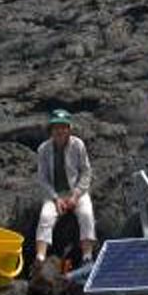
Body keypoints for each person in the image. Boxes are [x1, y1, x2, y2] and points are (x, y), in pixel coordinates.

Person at [35, 109, 95, 265]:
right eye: (56, 127)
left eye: (63, 127)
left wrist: (75, 195)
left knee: (87, 215)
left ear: (69, 129)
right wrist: (56, 199)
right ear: (51, 130)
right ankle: (40, 259)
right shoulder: (43, 149)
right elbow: (42, 179)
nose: (60, 131)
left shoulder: (78, 145)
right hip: (55, 193)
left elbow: (86, 172)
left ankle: (87, 257)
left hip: (76, 191)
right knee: (45, 217)